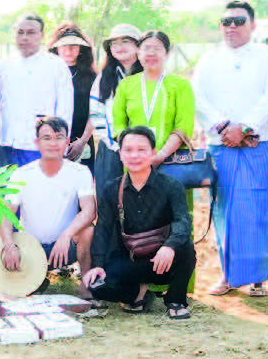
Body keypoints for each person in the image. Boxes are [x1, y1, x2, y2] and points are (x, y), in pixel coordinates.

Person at [193, 0, 268, 297]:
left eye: (239, 21)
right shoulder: (208, 59)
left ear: (253, 24)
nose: (231, 26)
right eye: (226, 21)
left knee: (256, 209)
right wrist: (223, 128)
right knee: (224, 211)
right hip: (220, 145)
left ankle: (258, 277)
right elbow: (198, 97)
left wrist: (244, 127)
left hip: (256, 144)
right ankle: (229, 275)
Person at [81, 127, 196, 320]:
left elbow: (182, 221)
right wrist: (97, 265)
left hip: (162, 262)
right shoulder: (112, 188)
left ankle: (176, 300)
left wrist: (169, 246)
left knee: (186, 249)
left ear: (152, 153)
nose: (134, 155)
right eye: (128, 150)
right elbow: (103, 228)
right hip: (130, 261)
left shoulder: (171, 185)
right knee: (97, 287)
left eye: (141, 150)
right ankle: (138, 294)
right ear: (120, 155)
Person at [0, 117, 96, 281]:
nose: (53, 143)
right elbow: (6, 214)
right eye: (46, 138)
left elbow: (89, 211)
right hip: (31, 248)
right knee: (20, 290)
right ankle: (36, 277)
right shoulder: (21, 174)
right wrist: (9, 245)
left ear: (67, 141)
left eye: (59, 138)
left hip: (65, 247)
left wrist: (66, 236)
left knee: (88, 231)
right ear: (37, 142)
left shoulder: (81, 172)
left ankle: (86, 284)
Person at [0, 14, 74, 167]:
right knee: (6, 190)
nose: (25, 37)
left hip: (41, 146)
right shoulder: (3, 66)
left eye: (31, 33)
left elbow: (65, 109)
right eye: (20, 32)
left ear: (42, 35)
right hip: (7, 143)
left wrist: (59, 144)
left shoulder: (57, 66)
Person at [110, 31, 195, 164]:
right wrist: (135, 152)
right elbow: (118, 125)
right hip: (135, 163)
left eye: (157, 49)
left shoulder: (181, 85)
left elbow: (184, 126)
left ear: (167, 53)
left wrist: (161, 155)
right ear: (138, 53)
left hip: (171, 162)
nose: (151, 53)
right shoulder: (126, 85)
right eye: (146, 48)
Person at [89, 24, 141, 191]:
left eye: (125, 41)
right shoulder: (104, 77)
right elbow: (96, 113)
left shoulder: (149, 74)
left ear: (138, 45)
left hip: (144, 150)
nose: (119, 47)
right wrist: (116, 145)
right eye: (114, 43)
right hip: (111, 148)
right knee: (109, 202)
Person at [50, 24, 96, 163]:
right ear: (56, 48)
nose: (68, 50)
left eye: (73, 46)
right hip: (51, 141)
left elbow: (95, 111)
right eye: (64, 46)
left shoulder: (91, 77)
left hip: (81, 141)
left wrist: (82, 142)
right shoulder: (47, 73)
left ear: (81, 49)